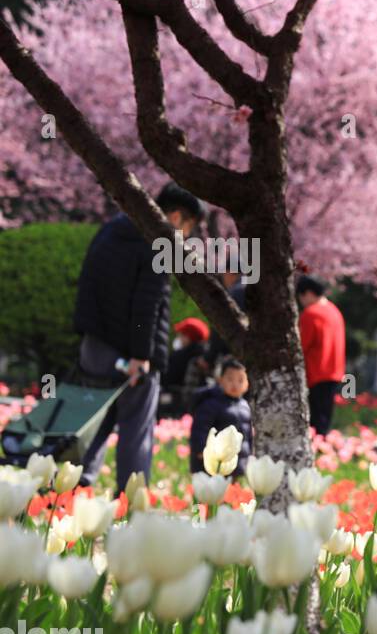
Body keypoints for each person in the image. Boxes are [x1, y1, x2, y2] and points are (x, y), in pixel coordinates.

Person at [74, 182, 206, 493]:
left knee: (95, 425)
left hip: (95, 347)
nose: (186, 236)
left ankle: (71, 495)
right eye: (189, 227)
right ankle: (131, 502)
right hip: (133, 355)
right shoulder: (158, 242)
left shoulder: (110, 231)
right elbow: (146, 305)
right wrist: (141, 355)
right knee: (136, 429)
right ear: (175, 217)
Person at [296, 275, 346, 435]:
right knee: (324, 419)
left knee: (314, 423)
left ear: (309, 293)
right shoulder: (334, 310)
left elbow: (301, 346)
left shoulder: (310, 314)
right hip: (334, 372)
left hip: (315, 373)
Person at [188, 357, 252, 479]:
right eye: (230, 379)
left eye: (240, 380)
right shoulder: (210, 404)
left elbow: (248, 436)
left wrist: (250, 454)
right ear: (220, 380)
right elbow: (200, 429)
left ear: (247, 384)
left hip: (238, 463)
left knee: (234, 495)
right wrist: (201, 451)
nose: (235, 384)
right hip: (212, 463)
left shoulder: (245, 407)